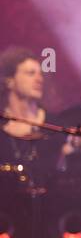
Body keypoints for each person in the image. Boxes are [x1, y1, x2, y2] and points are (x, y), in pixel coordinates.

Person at [0, 47, 66, 187]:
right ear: (9, 81)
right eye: (31, 73)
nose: (39, 79)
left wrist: (65, 154)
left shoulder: (54, 125)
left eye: (40, 74)